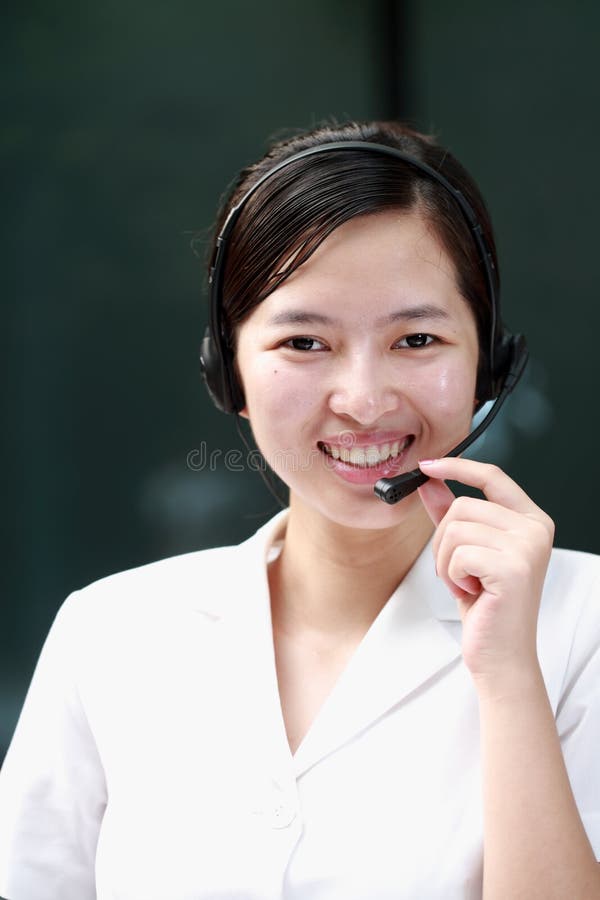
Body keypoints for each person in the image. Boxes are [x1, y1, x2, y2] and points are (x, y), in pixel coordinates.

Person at [0, 120, 598, 900]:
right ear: (228, 373)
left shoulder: (583, 624)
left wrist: (512, 677)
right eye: (305, 344)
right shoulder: (108, 633)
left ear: (488, 364)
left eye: (416, 338)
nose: (363, 400)